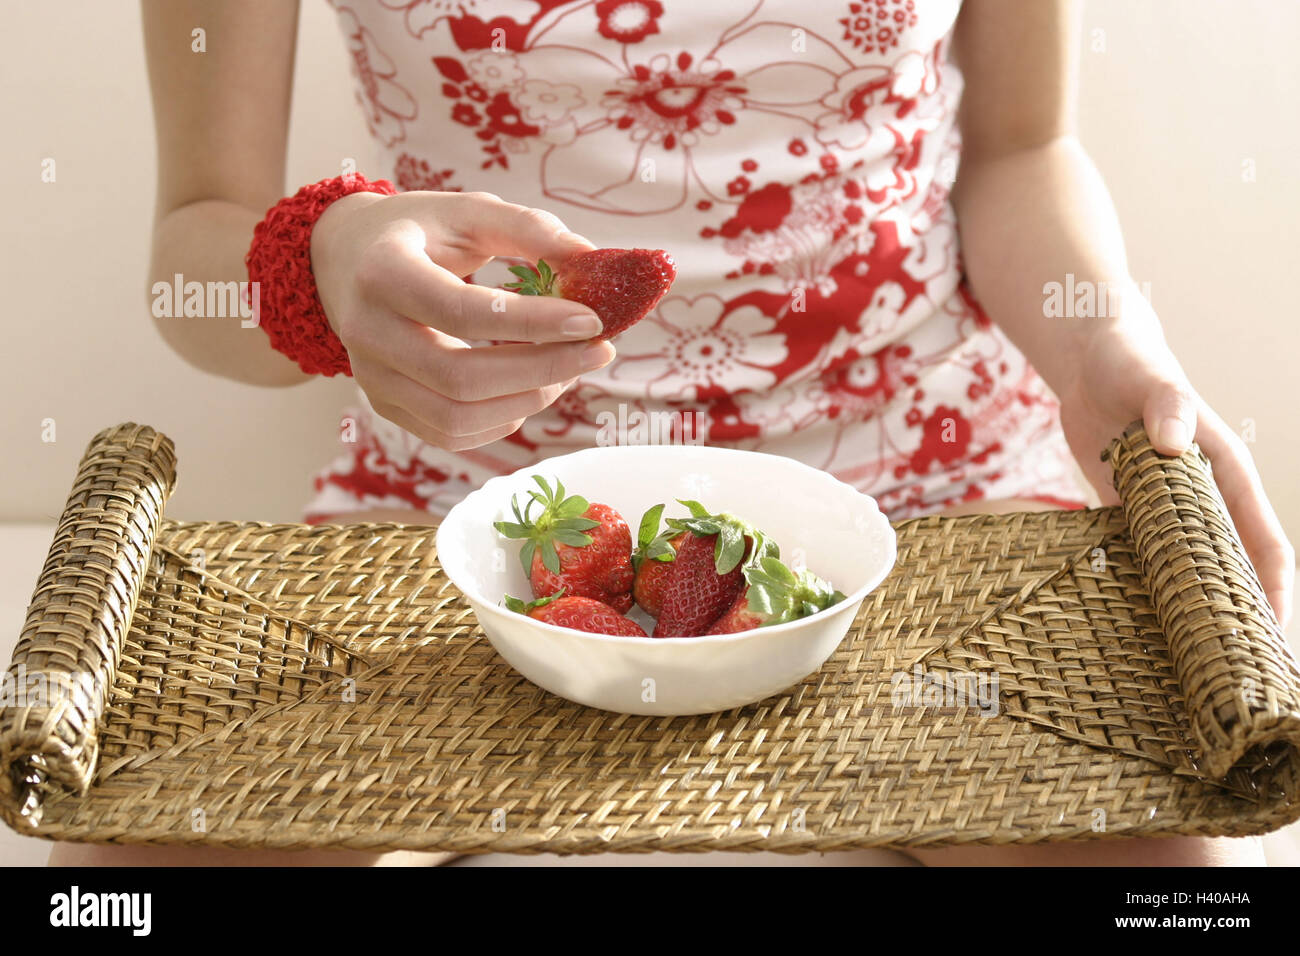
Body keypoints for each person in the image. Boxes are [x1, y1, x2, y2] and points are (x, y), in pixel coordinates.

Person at [49, 0, 1290, 867]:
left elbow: (1024, 147)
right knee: (117, 894)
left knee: (1175, 889)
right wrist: (317, 271)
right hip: (474, 529)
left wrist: (1101, 343)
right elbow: (192, 253)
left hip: (927, 495)